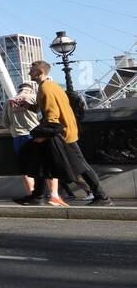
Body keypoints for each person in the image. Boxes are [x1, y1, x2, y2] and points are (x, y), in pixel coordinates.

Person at [19, 60, 111, 206]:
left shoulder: (45, 89)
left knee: (81, 166)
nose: (30, 72)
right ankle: (37, 196)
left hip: (61, 135)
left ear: (40, 72)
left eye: (32, 70)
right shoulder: (52, 86)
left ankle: (102, 196)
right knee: (41, 163)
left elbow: (52, 115)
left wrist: (43, 134)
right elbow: (46, 106)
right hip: (65, 131)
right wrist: (29, 106)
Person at [4, 81, 64, 205]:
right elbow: (45, 116)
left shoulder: (9, 101)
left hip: (18, 137)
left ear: (19, 90)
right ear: (31, 90)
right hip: (36, 136)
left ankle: (33, 195)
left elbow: (5, 122)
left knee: (26, 168)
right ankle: (54, 195)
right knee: (46, 165)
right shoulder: (33, 98)